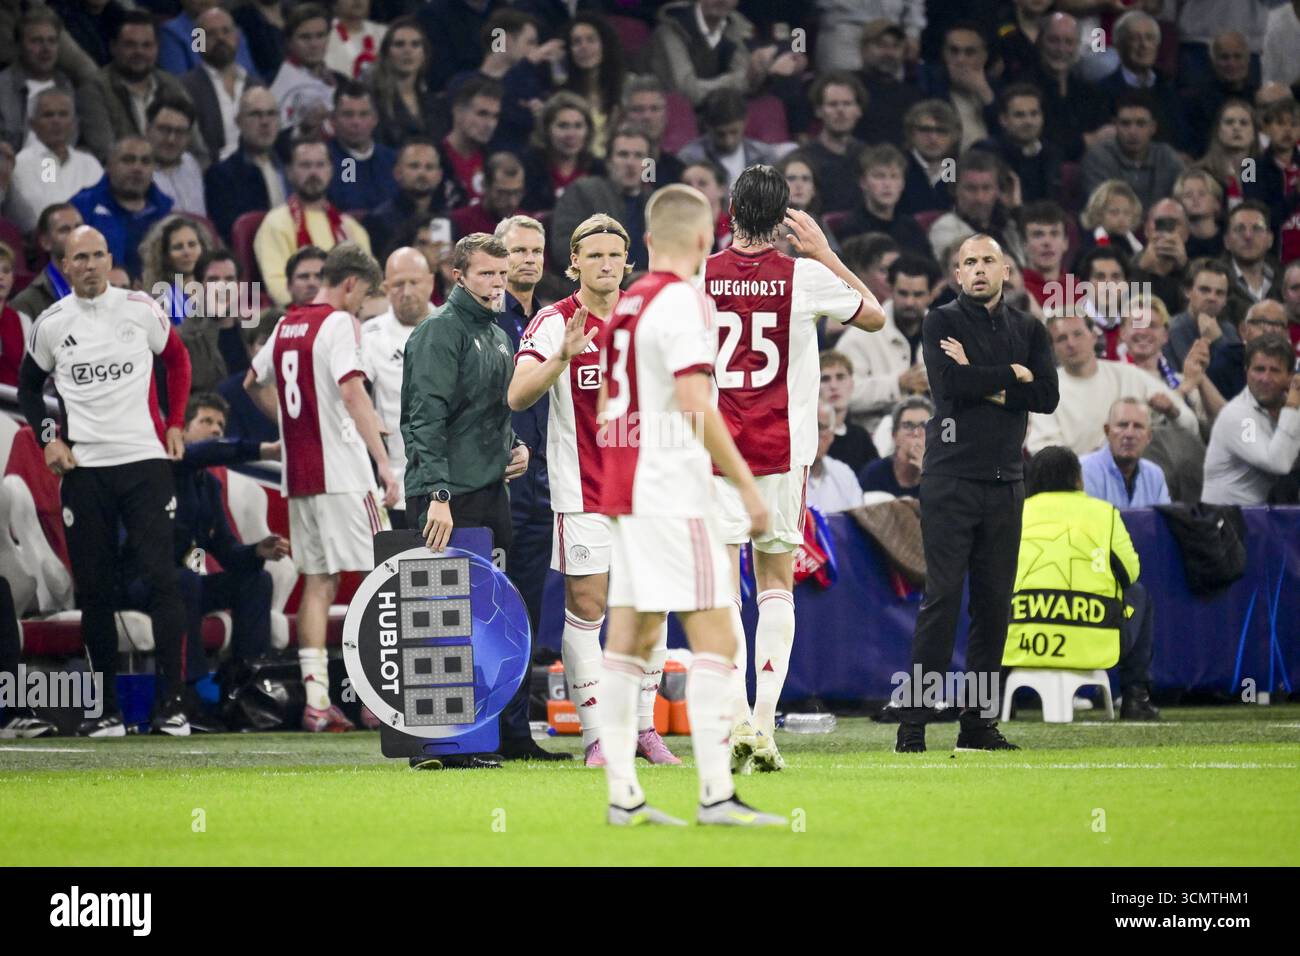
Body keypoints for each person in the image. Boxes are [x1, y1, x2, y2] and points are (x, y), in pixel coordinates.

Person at [595, 181, 783, 827]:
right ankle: (715, 796)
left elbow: (606, 410)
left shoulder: (627, 305)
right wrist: (748, 487)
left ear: (644, 242)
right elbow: (696, 404)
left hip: (625, 490)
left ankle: (623, 797)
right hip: (670, 491)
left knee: (631, 638)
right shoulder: (683, 301)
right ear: (707, 239)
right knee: (720, 638)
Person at [705, 165, 886, 773]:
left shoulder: (699, 278)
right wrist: (827, 253)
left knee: (723, 591)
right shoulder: (804, 276)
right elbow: (875, 316)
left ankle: (735, 723)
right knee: (776, 584)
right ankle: (762, 723)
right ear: (786, 217)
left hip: (715, 454)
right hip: (783, 454)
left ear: (729, 211)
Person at [509, 213, 679, 767]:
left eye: (615, 255)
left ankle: (644, 728)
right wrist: (562, 357)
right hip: (581, 492)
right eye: (594, 255)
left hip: (648, 493)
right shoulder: (554, 322)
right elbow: (516, 396)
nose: (606, 264)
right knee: (588, 608)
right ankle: (596, 737)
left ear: (628, 262)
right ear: (574, 262)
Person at [18, 225, 193, 737]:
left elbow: (177, 360)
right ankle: (104, 711)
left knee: (164, 579)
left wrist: (177, 422)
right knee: (95, 590)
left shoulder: (140, 308)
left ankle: (172, 706)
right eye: (80, 258)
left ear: (109, 259)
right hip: (85, 471)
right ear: (64, 265)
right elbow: (30, 388)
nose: (91, 265)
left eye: (98, 255)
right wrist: (49, 437)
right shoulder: (50, 323)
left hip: (144, 462)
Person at [400, 233, 566, 766]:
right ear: (459, 276)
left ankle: (502, 734)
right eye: (486, 275)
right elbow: (424, 420)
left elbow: (489, 415)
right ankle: (441, 742)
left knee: (496, 618)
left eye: (502, 273)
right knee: (442, 619)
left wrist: (513, 447)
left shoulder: (495, 335)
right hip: (449, 496)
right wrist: (437, 496)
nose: (497, 283)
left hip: (491, 491)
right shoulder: (438, 333)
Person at [894, 233, 1059, 754]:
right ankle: (914, 726)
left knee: (993, 607)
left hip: (1007, 483)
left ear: (1006, 270)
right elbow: (947, 387)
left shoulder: (1030, 326)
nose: (980, 269)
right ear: (958, 275)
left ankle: (979, 725)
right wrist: (1012, 374)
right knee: (941, 600)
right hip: (949, 481)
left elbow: (1048, 396)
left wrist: (982, 375)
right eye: (970, 262)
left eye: (989, 260)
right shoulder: (941, 320)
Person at [245, 241, 398, 732]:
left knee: (318, 581)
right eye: (364, 295)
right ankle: (375, 698)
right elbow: (353, 392)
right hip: (344, 473)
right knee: (385, 572)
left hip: (299, 476)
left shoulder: (287, 323)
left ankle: (316, 701)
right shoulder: (337, 323)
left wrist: (293, 426)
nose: (362, 306)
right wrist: (384, 463)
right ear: (350, 283)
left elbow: (252, 380)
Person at [127, 393, 287, 706]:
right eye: (206, 422)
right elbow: (209, 451)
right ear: (182, 430)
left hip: (184, 587)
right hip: (141, 584)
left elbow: (226, 551)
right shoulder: (164, 465)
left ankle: (244, 684)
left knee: (256, 581)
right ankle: (188, 692)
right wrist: (264, 449)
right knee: (186, 580)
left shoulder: (209, 487)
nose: (215, 430)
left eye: (220, 424)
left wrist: (257, 551)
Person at [1008, 446, 1159, 722]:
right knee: (1139, 593)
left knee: (991, 598)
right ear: (1078, 479)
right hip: (1092, 639)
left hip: (1020, 641)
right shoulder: (1104, 513)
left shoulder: (1013, 512)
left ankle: (992, 696)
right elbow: (1130, 573)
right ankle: (1136, 697)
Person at [493, 214, 552, 636]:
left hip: (543, 483)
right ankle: (488, 702)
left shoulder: (551, 320)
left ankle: (519, 700)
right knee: (491, 601)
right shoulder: (483, 319)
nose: (528, 259)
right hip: (497, 482)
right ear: (500, 256)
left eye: (535, 251)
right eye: (518, 251)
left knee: (528, 606)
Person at [1029, 312, 1199, 455]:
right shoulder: (1046, 390)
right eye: (1061, 338)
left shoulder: (1129, 375)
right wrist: (1092, 463)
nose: (1071, 344)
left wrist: (1172, 412)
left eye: (1078, 334)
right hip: (1077, 482)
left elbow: (1190, 425)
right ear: (1052, 348)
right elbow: (1041, 450)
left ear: (1094, 336)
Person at [360, 248, 435, 531]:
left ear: (430, 281)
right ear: (385, 288)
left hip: (454, 479)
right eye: (397, 284)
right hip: (397, 480)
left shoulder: (457, 327)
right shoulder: (371, 335)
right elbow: (351, 395)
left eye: (414, 282)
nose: (406, 291)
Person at [253, 138, 370, 307]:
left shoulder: (350, 227)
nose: (313, 173)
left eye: (320, 165)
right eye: (305, 165)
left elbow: (368, 280)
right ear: (289, 172)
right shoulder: (275, 223)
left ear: (331, 171)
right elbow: (278, 286)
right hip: (301, 315)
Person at [835, 254, 936, 433]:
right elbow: (840, 395)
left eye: (918, 295)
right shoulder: (860, 333)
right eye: (903, 293)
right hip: (873, 439)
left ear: (931, 294)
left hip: (935, 435)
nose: (910, 302)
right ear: (890, 289)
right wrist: (897, 384)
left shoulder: (945, 333)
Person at [0, 6, 111, 161]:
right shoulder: (3, 88)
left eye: (51, 41)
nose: (46, 49)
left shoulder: (69, 87)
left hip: (56, 170)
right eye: (36, 41)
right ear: (19, 45)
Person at [1201, 335, 1300, 505]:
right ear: (1246, 371)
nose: (1265, 379)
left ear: (1290, 377)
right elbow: (1278, 463)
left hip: (1268, 518)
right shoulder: (1239, 416)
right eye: (1259, 369)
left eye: (1275, 370)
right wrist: (1292, 405)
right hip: (1227, 521)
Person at [550, 126, 651, 274]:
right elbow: (563, 247)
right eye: (623, 155)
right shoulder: (583, 192)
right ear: (609, 162)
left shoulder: (656, 202)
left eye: (639, 156)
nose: (631, 163)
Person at [70, 136, 173, 280]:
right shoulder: (82, 206)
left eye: (145, 161)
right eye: (128, 160)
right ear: (108, 165)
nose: (137, 168)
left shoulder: (166, 212)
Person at [1, 89, 102, 234]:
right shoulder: (20, 164)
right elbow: (41, 210)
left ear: (74, 123)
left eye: (63, 114)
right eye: (48, 115)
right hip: (38, 249)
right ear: (32, 124)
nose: (56, 121)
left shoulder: (89, 164)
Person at [203, 85, 286, 243]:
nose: (265, 122)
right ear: (238, 121)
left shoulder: (291, 166)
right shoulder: (221, 176)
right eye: (256, 114)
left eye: (271, 114)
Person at [95, 11, 191, 146]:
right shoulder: (95, 88)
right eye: (130, 45)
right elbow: (104, 150)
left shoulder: (172, 84)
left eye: (147, 45)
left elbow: (195, 145)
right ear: (113, 47)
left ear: (157, 48)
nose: (139, 52)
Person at [1081, 91, 1185, 212]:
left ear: (1153, 127)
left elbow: (1183, 201)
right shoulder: (1098, 158)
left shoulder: (1166, 156)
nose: (1133, 132)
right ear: (1115, 125)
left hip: (1160, 228)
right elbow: (1103, 210)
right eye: (1125, 124)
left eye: (1141, 124)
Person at [179, 6, 254, 165]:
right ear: (197, 42)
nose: (220, 38)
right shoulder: (185, 88)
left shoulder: (256, 86)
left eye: (226, 31)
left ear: (237, 37)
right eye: (211, 33)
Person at [363, 138, 453, 263]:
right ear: (397, 173)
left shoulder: (449, 219)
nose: (422, 173)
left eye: (429, 167)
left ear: (439, 175)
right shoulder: (378, 221)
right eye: (414, 166)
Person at [927, 149, 1023, 264]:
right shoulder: (944, 229)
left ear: (999, 190)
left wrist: (1016, 210)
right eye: (971, 189)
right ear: (954, 190)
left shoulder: (1008, 225)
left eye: (987, 188)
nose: (980, 198)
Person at [971, 84, 1061, 205]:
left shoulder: (1051, 152)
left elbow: (1052, 199)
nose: (1028, 121)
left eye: (1034, 114)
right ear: (1003, 120)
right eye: (1019, 115)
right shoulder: (986, 151)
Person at [675, 88, 778, 190]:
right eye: (720, 134)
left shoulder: (765, 156)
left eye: (734, 132)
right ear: (707, 127)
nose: (728, 141)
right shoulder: (689, 158)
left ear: (745, 122)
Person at [838, 144, 930, 256]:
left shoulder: (912, 227)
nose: (887, 184)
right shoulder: (852, 228)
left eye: (894, 176)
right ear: (863, 182)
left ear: (902, 184)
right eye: (879, 176)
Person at [521, 91, 605, 213]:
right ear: (546, 129)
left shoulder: (598, 170)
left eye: (578, 126)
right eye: (563, 126)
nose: (571, 134)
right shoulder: (528, 168)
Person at [1081, 397, 1172, 507]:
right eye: (1122, 425)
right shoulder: (1084, 470)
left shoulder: (1155, 475)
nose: (1130, 434)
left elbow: (1163, 522)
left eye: (1138, 426)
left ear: (1149, 436)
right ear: (1107, 431)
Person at [326, 81, 398, 213]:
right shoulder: (322, 161)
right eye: (348, 114)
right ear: (333, 120)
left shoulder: (393, 160)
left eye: (363, 114)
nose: (356, 122)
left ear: (375, 119)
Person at [560, 12, 624, 158]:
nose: (584, 47)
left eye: (591, 40)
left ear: (605, 45)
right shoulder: (562, 96)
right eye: (576, 42)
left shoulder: (626, 87)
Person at [269, 4, 342, 133]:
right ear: (289, 42)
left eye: (320, 36)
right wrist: (303, 127)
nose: (314, 44)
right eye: (305, 37)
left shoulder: (342, 82)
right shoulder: (272, 82)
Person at [852, 18, 923, 149]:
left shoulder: (912, 96)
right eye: (881, 45)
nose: (889, 53)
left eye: (896, 46)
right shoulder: (845, 86)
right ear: (863, 49)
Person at [803, 71, 868, 215]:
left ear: (858, 110)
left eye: (847, 104)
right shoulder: (802, 160)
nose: (840, 110)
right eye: (833, 104)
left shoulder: (869, 157)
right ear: (819, 111)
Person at [370, 16, 440, 148]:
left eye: (415, 44)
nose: (408, 51)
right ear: (386, 54)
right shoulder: (372, 101)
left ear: (424, 54)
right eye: (399, 44)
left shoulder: (434, 104)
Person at [10, 203, 82, 326]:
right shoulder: (27, 303)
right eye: (64, 230)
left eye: (79, 227)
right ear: (45, 242)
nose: (75, 234)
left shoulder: (103, 287)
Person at [441, 76, 504, 205]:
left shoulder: (495, 163)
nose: (490, 124)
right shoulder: (434, 160)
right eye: (482, 114)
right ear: (458, 112)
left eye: (495, 116)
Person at [818, 350, 880, 472]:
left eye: (840, 377)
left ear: (852, 384)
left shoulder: (861, 437)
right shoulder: (806, 436)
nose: (834, 386)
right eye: (825, 379)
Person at [860, 396, 931, 498]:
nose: (916, 433)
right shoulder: (874, 474)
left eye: (924, 426)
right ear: (894, 435)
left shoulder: (943, 476)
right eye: (908, 426)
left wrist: (929, 475)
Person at [147, 97, 206, 218]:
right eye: (164, 130)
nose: (171, 139)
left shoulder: (191, 163)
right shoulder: (137, 171)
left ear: (189, 136)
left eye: (180, 132)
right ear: (147, 129)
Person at [449, 152, 527, 239]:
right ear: (485, 185)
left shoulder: (528, 226)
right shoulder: (460, 222)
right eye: (502, 193)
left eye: (517, 192)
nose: (512, 202)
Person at [807, 403, 863, 513]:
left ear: (832, 434)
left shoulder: (844, 474)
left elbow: (858, 522)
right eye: (807, 427)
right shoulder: (782, 477)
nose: (813, 435)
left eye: (820, 427)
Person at [1018, 201, 1071, 309]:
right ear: (1024, 245)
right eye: (1038, 235)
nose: (1047, 242)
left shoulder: (1081, 293)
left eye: (1054, 234)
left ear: (1065, 243)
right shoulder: (1016, 293)